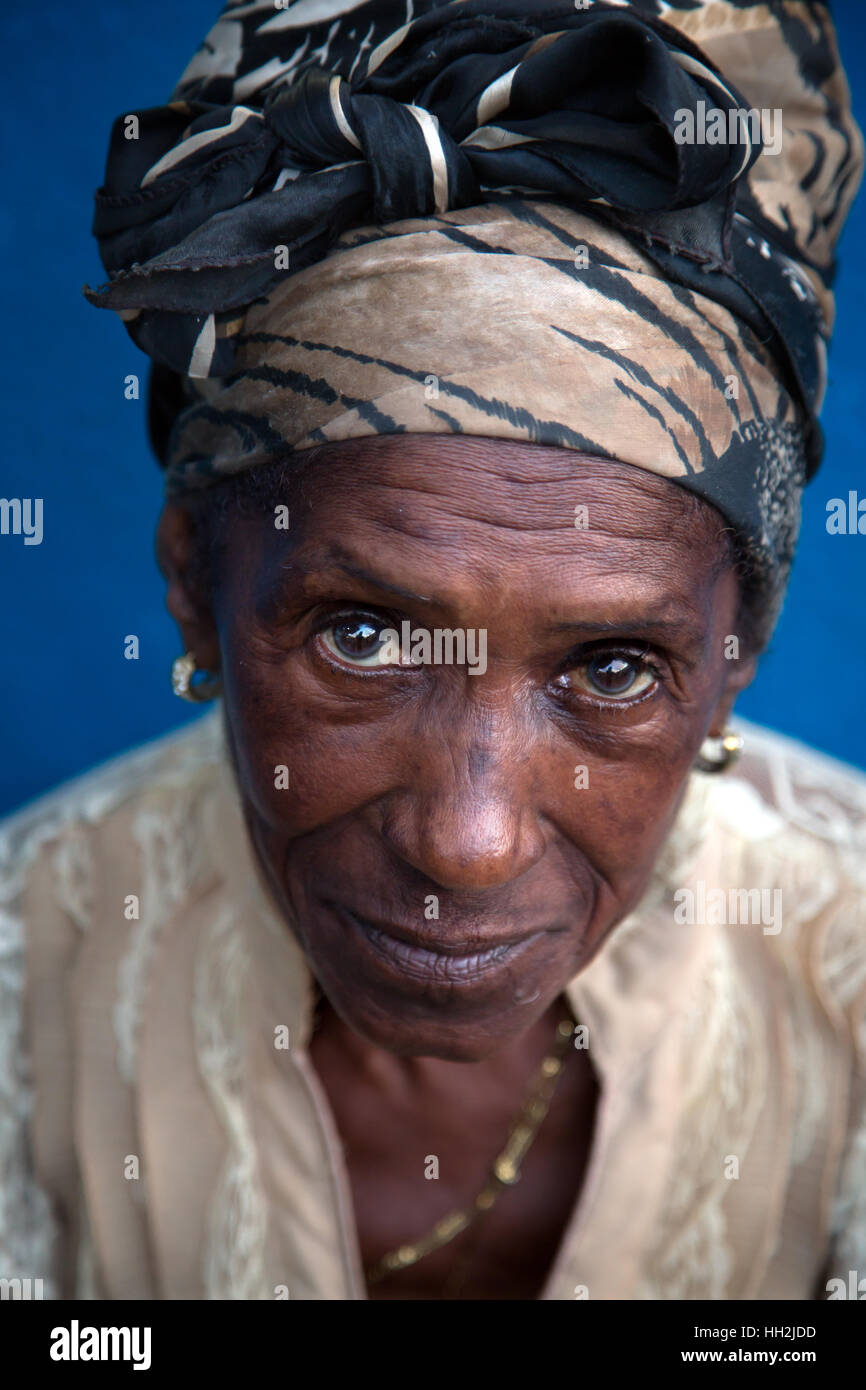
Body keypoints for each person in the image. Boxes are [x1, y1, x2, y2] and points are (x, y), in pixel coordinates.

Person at [1, 0, 864, 1301]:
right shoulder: (32, 963)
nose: (467, 840)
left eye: (612, 668)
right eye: (361, 636)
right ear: (194, 587)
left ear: (735, 650)